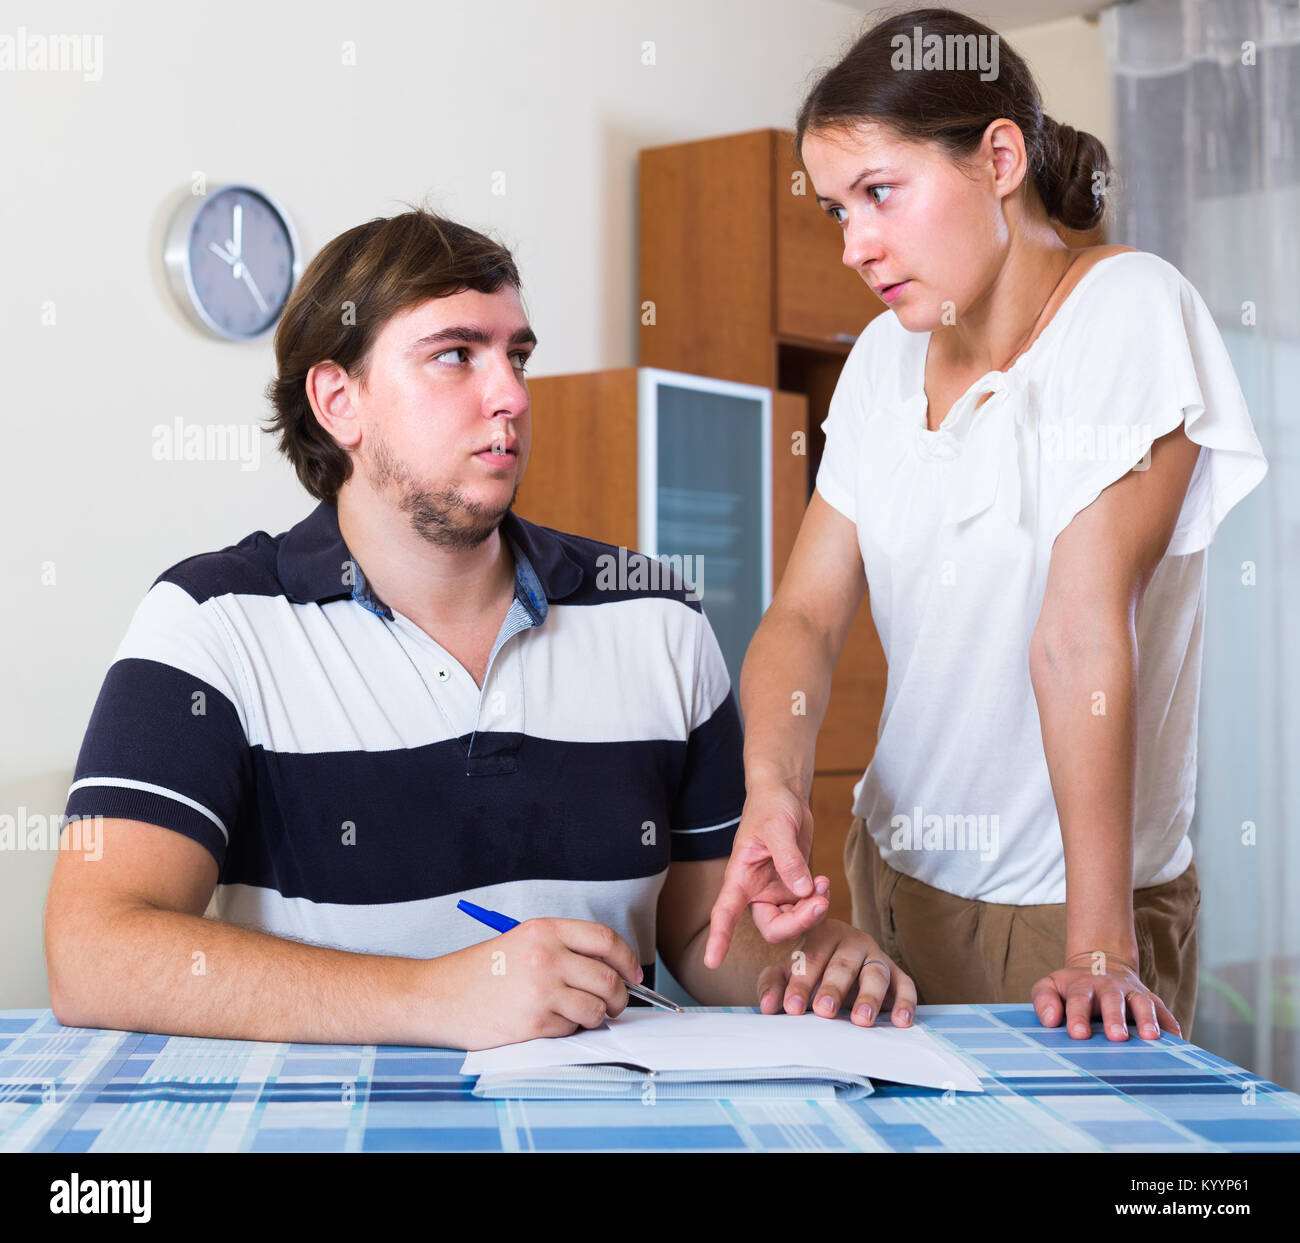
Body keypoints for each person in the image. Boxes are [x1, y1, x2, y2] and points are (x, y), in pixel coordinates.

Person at [46, 208, 906, 1050]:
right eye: (455, 355)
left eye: (517, 356)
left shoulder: (657, 615)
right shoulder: (211, 624)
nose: (511, 395)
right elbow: (93, 951)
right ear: (339, 400)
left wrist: (800, 965)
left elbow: (701, 931)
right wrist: (435, 996)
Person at [705, 7, 1268, 1043]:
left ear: (998, 156)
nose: (855, 245)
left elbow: (1078, 631)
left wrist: (1098, 945)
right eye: (836, 210)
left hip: (1069, 915)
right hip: (890, 885)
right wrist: (773, 788)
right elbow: (805, 616)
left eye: (879, 193)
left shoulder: (1128, 312)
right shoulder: (881, 359)